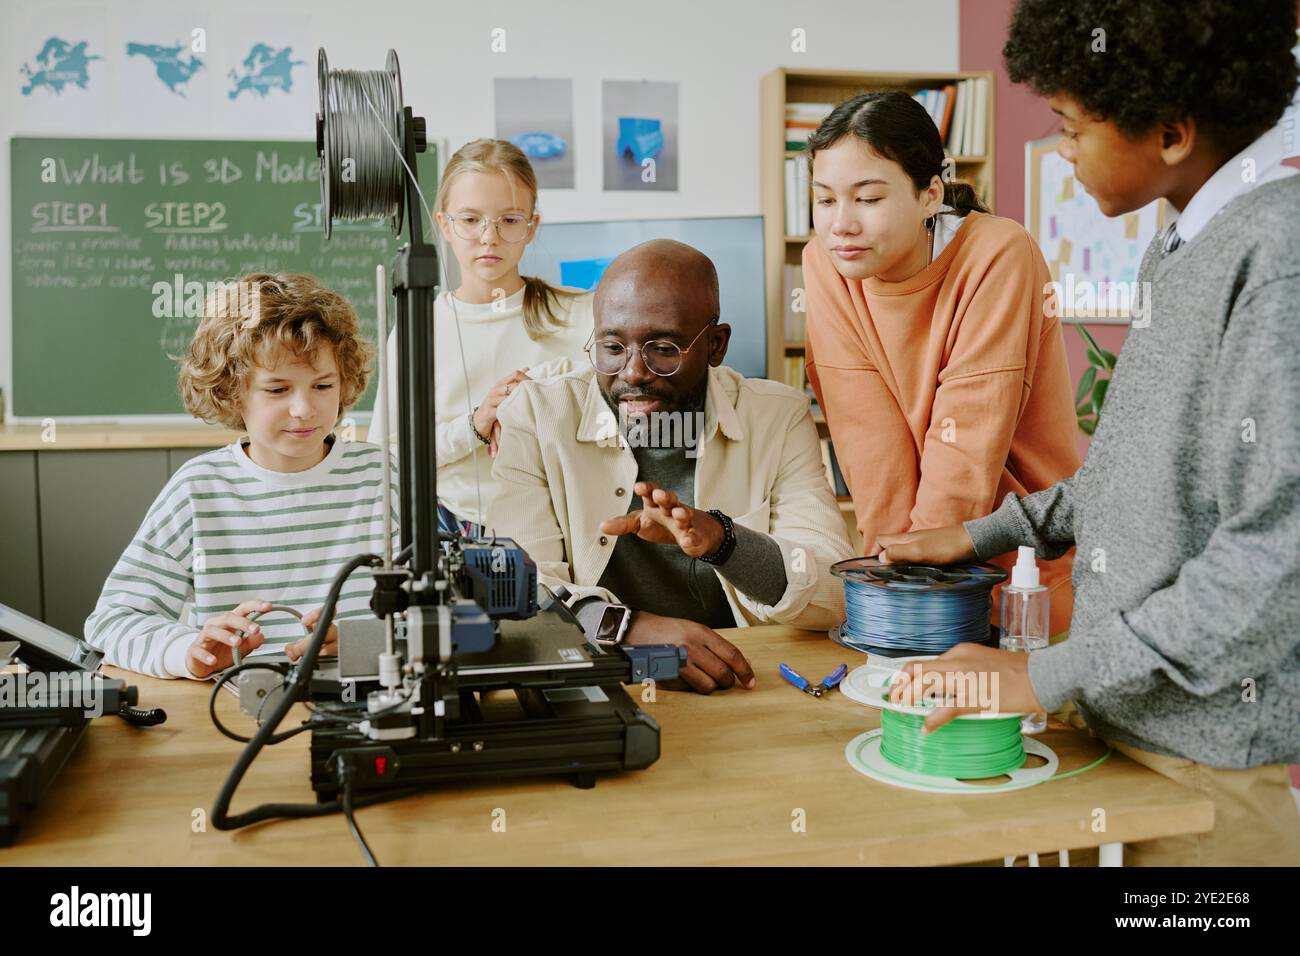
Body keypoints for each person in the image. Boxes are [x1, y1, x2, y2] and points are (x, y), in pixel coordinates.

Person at [884, 0, 1300, 866]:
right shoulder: (1180, 248)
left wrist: (1038, 676)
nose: (1060, 152)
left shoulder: (1277, 255)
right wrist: (976, 534)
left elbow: (1273, 567)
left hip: (1210, 762)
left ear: (1172, 131)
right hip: (1122, 727)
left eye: (1071, 127)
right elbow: (1128, 474)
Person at [490, 239, 855, 694]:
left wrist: (724, 541)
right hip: (601, 680)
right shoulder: (537, 416)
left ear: (716, 344)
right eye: (612, 346)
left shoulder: (776, 416)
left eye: (662, 348)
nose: (633, 372)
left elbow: (834, 591)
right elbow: (516, 586)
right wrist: (624, 628)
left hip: (746, 677)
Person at [803, 89, 1080, 635]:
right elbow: (869, 441)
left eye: (868, 199)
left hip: (1023, 576)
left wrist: (917, 582)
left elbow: (967, 440)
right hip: (908, 587)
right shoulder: (826, 262)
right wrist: (895, 583)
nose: (841, 224)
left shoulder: (999, 254)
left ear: (930, 194)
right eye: (825, 199)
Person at [85, 273, 397, 678]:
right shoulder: (199, 489)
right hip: (229, 713)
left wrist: (366, 642)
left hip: (363, 711)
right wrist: (188, 651)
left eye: (322, 385)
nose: (304, 409)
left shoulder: (383, 478)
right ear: (233, 392)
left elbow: (453, 619)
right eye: (277, 390)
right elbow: (110, 622)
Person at [370, 138, 593, 536]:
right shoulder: (418, 325)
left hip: (559, 532)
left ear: (531, 227)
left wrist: (540, 405)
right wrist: (475, 424)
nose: (489, 237)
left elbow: (618, 428)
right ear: (444, 226)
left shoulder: (579, 315)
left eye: (509, 220)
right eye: (470, 220)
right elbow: (384, 458)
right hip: (447, 534)